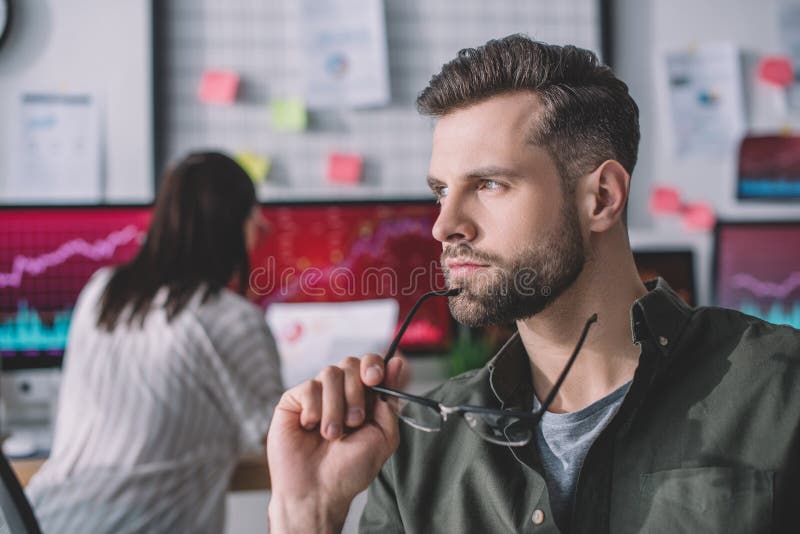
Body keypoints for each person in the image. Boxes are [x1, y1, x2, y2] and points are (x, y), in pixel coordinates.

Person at [266, 35, 800, 534]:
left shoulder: (781, 393)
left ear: (602, 198)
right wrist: (305, 512)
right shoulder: (415, 449)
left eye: (489, 184)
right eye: (440, 191)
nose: (443, 225)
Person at [26, 152, 284, 533]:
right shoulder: (230, 319)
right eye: (252, 216)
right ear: (234, 226)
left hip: (39, 516)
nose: (259, 226)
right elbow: (284, 440)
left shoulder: (101, 290)